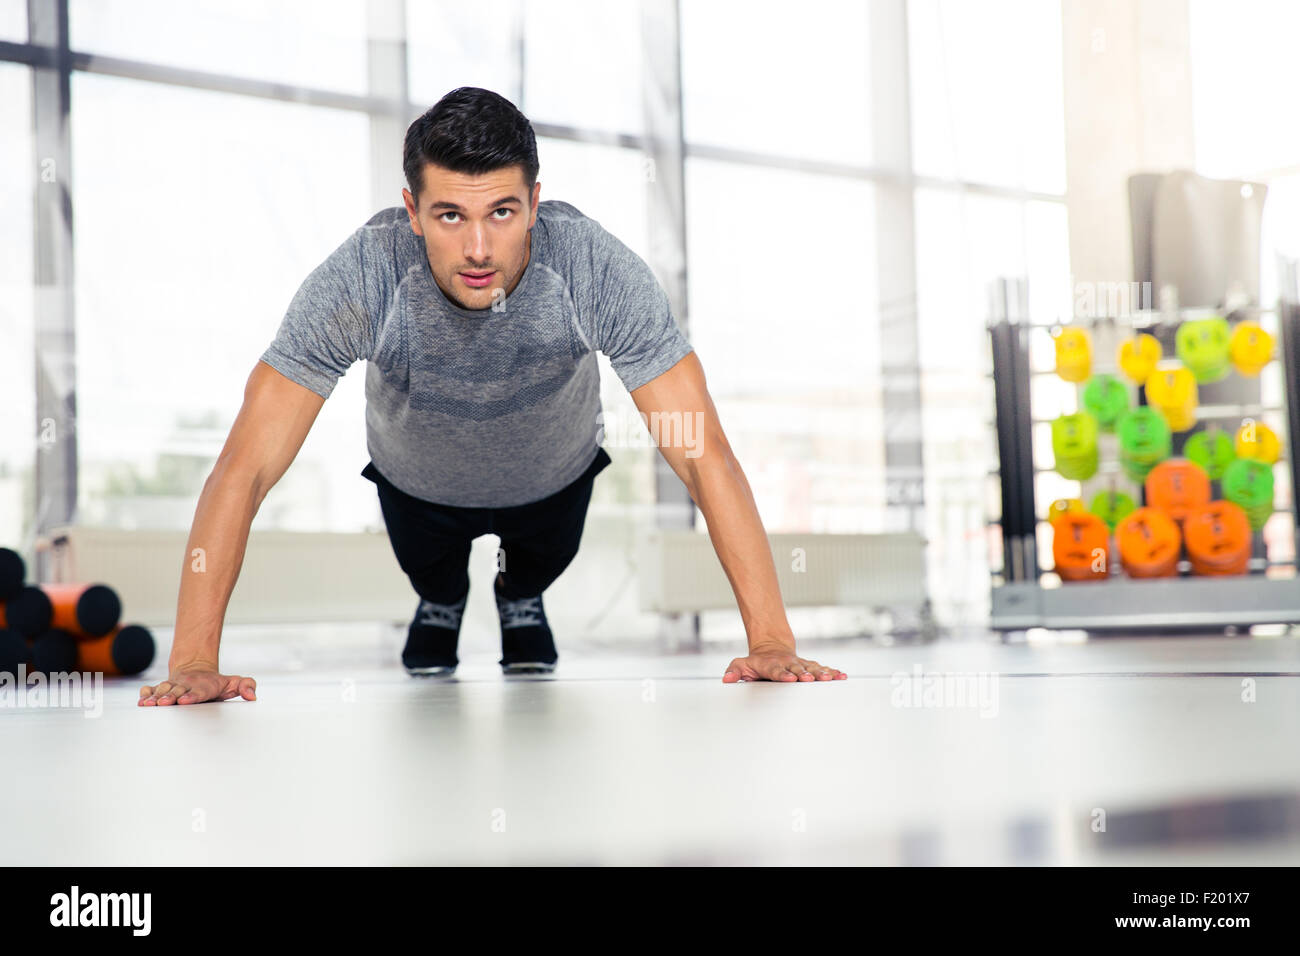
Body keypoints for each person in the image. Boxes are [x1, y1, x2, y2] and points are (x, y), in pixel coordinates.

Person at [140, 87, 845, 706]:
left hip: (551, 481)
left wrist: (771, 640)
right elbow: (245, 468)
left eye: (502, 212)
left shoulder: (592, 266)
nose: (478, 248)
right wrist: (194, 660)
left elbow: (701, 455)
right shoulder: (364, 274)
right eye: (450, 216)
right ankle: (443, 601)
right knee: (434, 576)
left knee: (535, 564)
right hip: (417, 486)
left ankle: (519, 594)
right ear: (411, 212)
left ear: (535, 203)